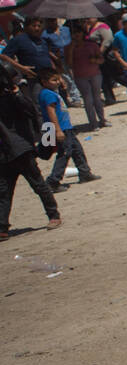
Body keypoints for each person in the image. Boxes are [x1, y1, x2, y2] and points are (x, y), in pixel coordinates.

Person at [0, 58, 61, 240]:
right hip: (5, 153)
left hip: (21, 149)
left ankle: (53, 215)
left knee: (38, 184)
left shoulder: (15, 97)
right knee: (4, 190)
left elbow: (33, 113)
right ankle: (2, 226)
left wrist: (15, 93)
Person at [38, 69, 99, 191]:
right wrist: (58, 130)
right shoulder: (48, 94)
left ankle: (84, 172)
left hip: (66, 128)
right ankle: (53, 181)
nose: (58, 82)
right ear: (44, 82)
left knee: (77, 150)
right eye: (54, 80)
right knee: (65, 153)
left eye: (58, 79)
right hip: (61, 128)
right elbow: (51, 113)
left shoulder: (51, 92)